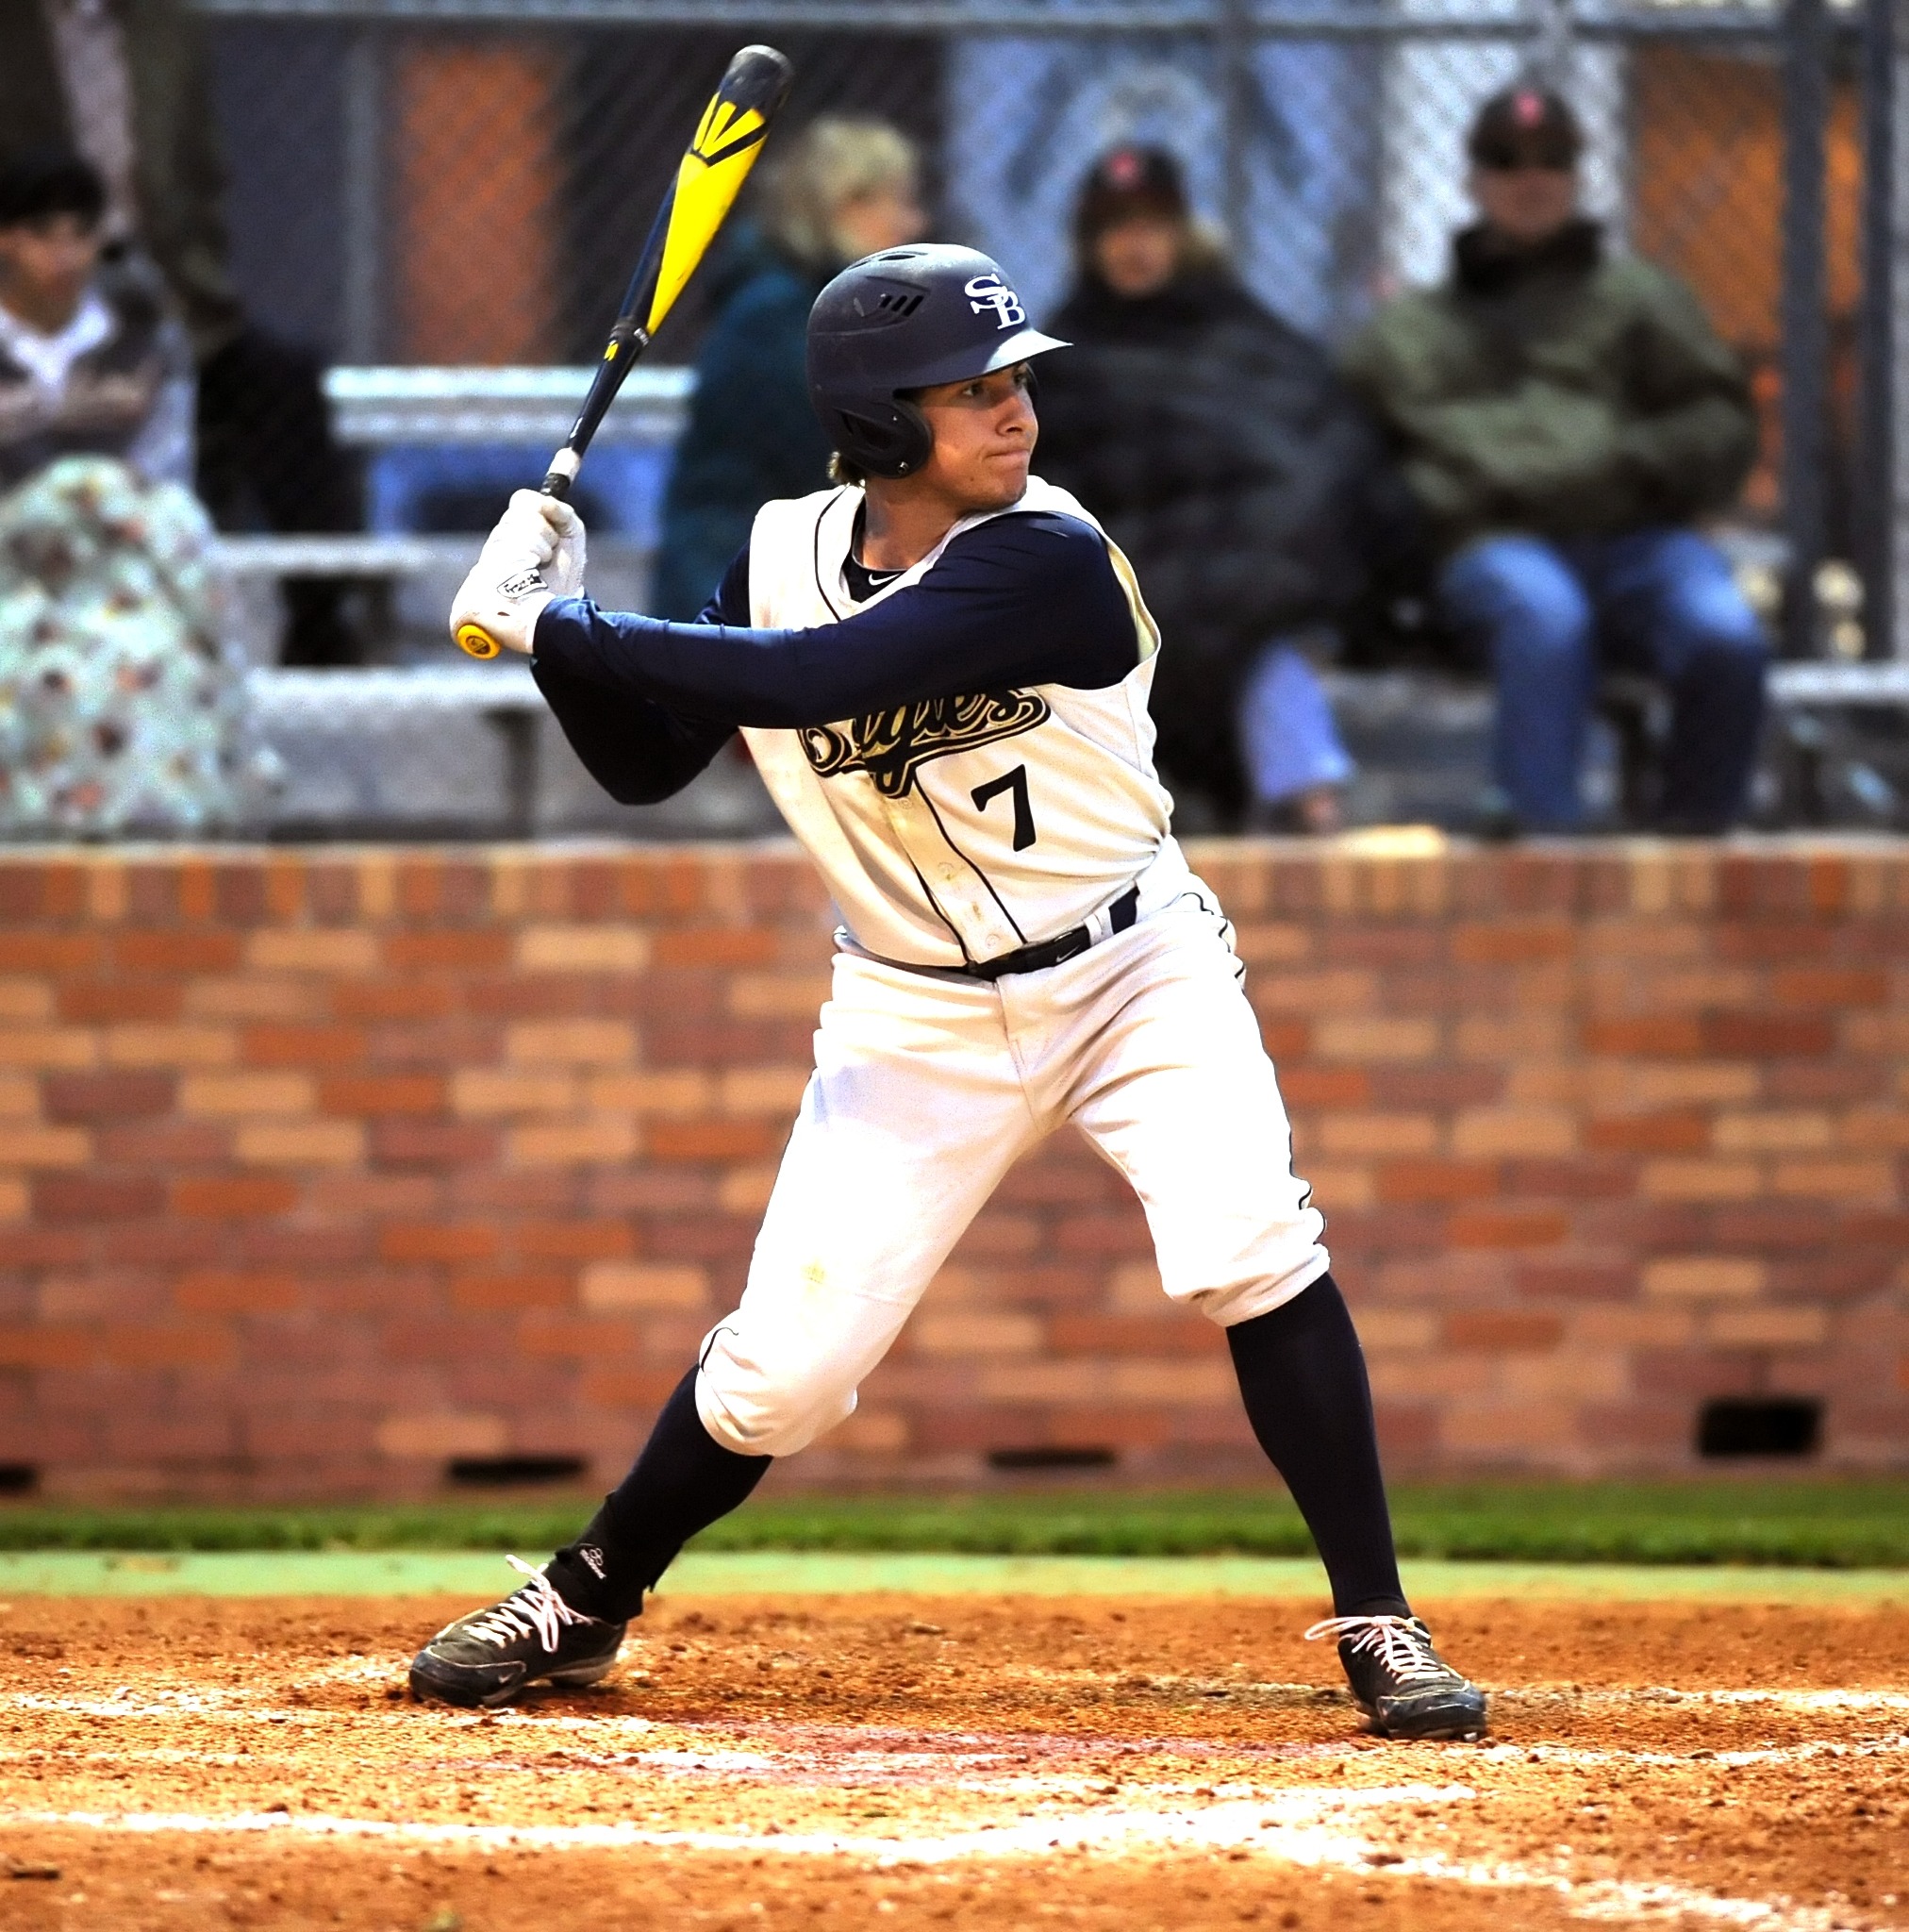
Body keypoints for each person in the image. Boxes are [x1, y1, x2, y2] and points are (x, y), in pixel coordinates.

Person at [419, 243, 1489, 1743]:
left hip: (1133, 972)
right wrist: (554, 633)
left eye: (1016, 382)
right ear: (878, 421)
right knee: (784, 1377)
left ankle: (1380, 1621)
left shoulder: (1044, 552)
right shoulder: (780, 548)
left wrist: (553, 628)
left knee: (1248, 1241)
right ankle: (585, 1596)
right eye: (973, 391)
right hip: (910, 1013)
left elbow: (816, 682)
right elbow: (649, 761)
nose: (1016, 414)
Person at [1342, 86, 1768, 836]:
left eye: (1552, 160)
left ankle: (1695, 860)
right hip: (1493, 547)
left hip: (1640, 538)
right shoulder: (1410, 331)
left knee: (1724, 635)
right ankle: (1544, 869)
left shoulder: (1643, 301)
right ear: (1473, 180)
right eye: (1506, 161)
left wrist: (1618, 463)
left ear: (1578, 176)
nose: (1530, 179)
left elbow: (1721, 424)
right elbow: (1361, 464)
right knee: (1546, 619)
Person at [1036, 146, 1416, 833]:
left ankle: (1311, 816)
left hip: (1249, 583)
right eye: (1115, 227)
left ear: (1183, 233)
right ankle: (1297, 801)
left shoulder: (1244, 331)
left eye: (1151, 225)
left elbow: (1323, 451)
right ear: (1089, 242)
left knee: (1261, 629)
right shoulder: (1056, 360)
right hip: (1131, 591)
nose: (1135, 245)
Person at [0, 0, 363, 664]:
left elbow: (199, 169)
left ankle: (322, 623)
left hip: (165, 283)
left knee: (283, 381)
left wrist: (188, 277)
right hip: (34, 285)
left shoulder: (164, 25)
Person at [0, 147, 243, 835]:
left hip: (119, 566)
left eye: (82, 233)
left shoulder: (143, 342)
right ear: (6, 240)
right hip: (8, 567)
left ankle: (158, 855)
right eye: (45, 234)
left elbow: (161, 475)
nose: (67, 254)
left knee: (154, 663)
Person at [652, 118, 925, 620]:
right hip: (735, 582)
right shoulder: (775, 315)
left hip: (783, 576)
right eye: (900, 201)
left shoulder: (825, 309)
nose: (914, 225)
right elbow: (839, 450)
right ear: (849, 205)